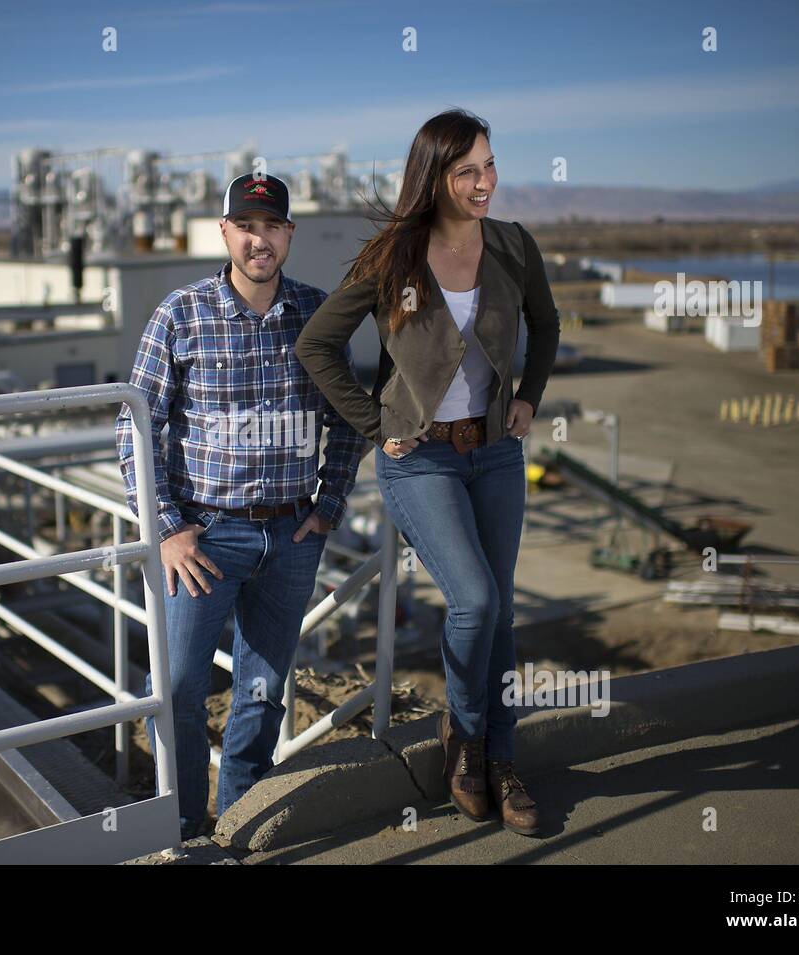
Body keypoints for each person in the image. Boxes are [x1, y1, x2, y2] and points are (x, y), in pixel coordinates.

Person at [294, 109, 560, 836]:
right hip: (422, 459)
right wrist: (377, 424)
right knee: (474, 598)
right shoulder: (394, 257)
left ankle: (500, 761)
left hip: (498, 453)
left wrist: (530, 395)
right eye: (468, 170)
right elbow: (317, 345)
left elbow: (549, 322)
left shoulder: (511, 244)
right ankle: (465, 737)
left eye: (490, 166)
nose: (485, 182)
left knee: (500, 609)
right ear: (435, 176)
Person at [115, 173, 366, 842]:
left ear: (289, 234)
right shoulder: (181, 313)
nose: (260, 239)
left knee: (262, 688)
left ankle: (240, 825)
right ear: (225, 231)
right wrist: (167, 529)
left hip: (290, 535)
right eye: (246, 226)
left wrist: (330, 500)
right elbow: (133, 427)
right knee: (174, 689)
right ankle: (182, 827)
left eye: (272, 226)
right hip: (204, 540)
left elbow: (348, 418)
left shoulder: (317, 315)